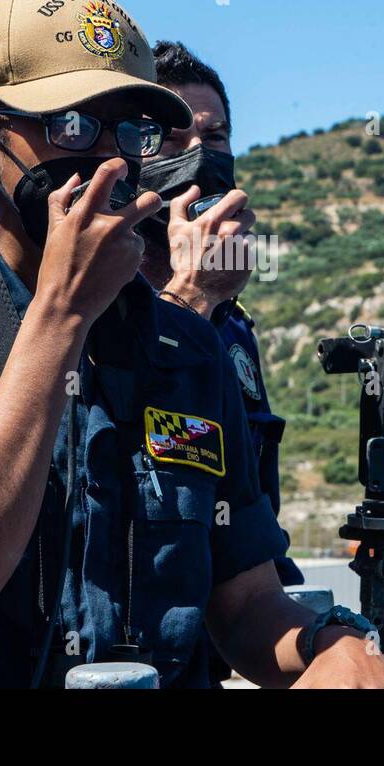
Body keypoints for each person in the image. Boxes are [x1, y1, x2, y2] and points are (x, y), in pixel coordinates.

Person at [0, 0, 384, 689]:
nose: (109, 161)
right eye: (71, 125)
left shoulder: (189, 348)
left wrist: (328, 643)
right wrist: (61, 314)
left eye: (129, 132)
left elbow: (245, 601)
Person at [137, 41, 301, 589]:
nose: (199, 157)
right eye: (169, 141)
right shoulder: (88, 314)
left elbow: (250, 502)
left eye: (214, 138)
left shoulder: (232, 326)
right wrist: (193, 294)